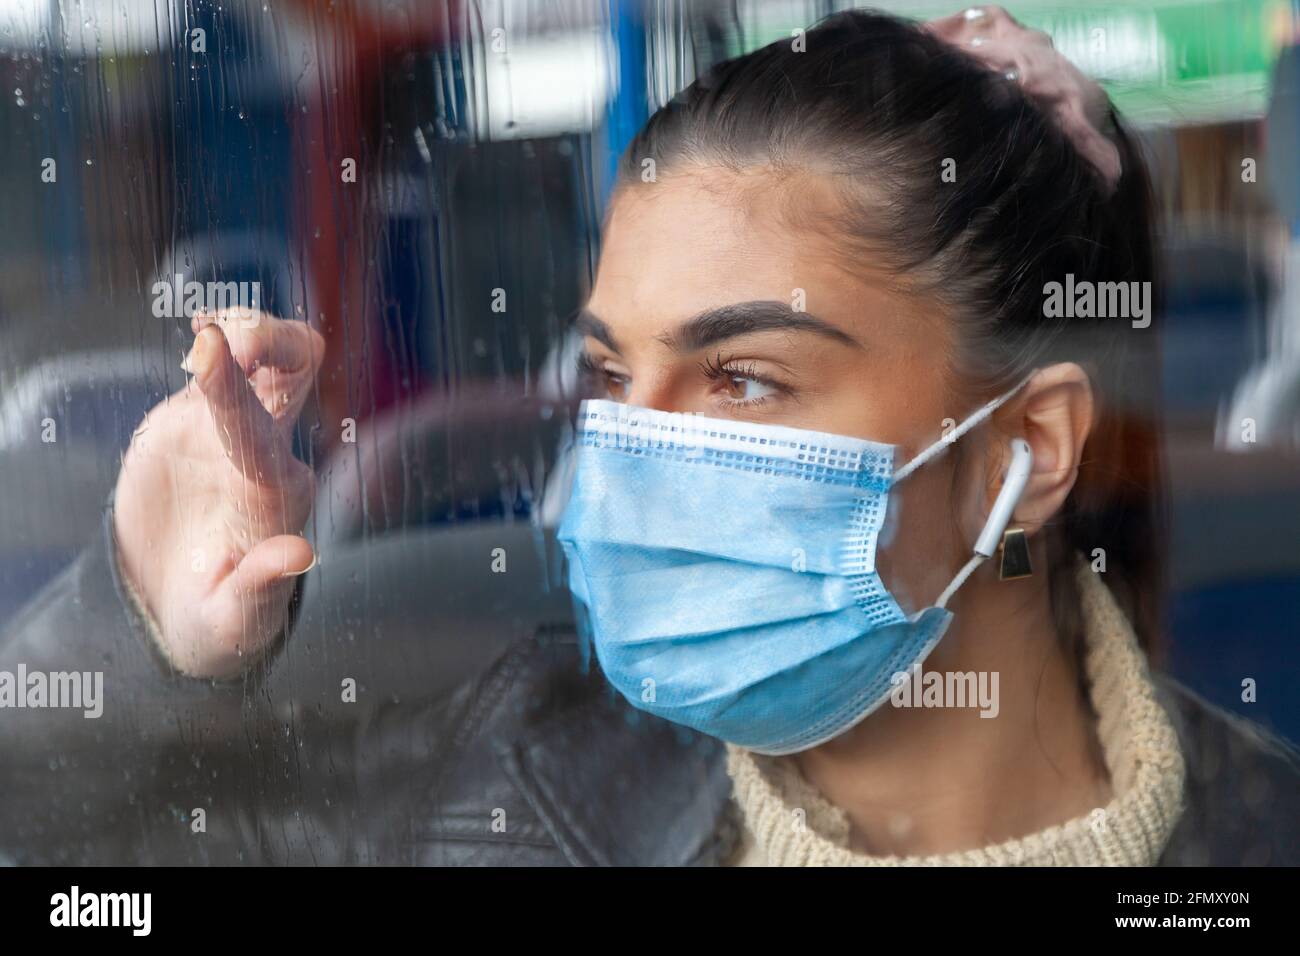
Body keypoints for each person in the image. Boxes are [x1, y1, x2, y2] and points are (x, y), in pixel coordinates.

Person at [2, 6, 1296, 866]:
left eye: (742, 380)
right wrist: (133, 626)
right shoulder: (496, 779)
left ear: (1033, 451)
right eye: (614, 375)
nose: (626, 463)